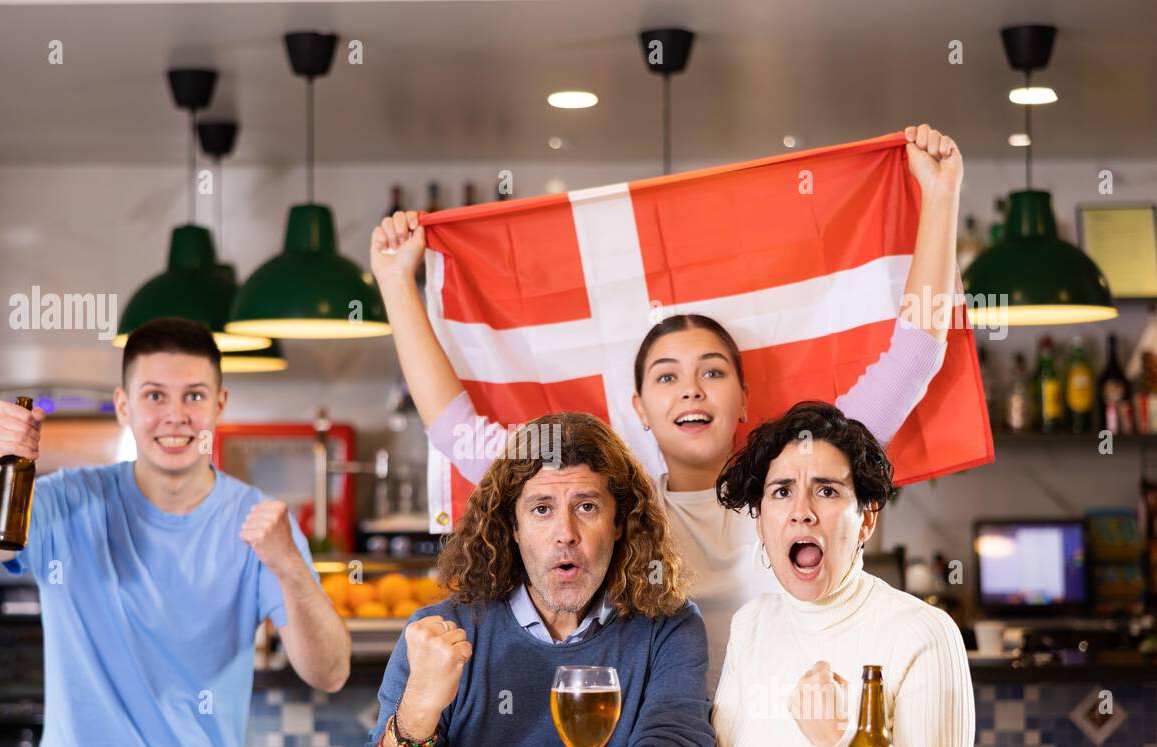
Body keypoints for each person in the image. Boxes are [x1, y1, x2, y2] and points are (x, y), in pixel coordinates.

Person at [371, 124, 963, 692]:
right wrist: (397, 282)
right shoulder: (606, 504)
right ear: (641, 409)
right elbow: (457, 434)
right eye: (667, 377)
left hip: (781, 738)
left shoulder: (793, 485)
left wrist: (938, 198)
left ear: (742, 399)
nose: (691, 390)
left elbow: (911, 361)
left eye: (712, 371)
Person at [0, 317, 350, 747]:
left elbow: (328, 671)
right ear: (125, 406)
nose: (176, 415)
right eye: (155, 396)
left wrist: (288, 564)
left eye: (193, 396)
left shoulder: (261, 522)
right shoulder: (66, 501)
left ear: (219, 404)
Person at [345, 411, 715, 747]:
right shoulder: (440, 633)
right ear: (512, 527)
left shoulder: (668, 627)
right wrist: (417, 710)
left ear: (620, 522)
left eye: (586, 507)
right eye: (541, 508)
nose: (566, 533)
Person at [711, 400, 996, 747]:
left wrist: (836, 746)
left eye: (826, 490)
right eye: (781, 492)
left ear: (866, 520)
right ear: (760, 522)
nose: (801, 511)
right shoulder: (751, 625)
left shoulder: (922, 631)